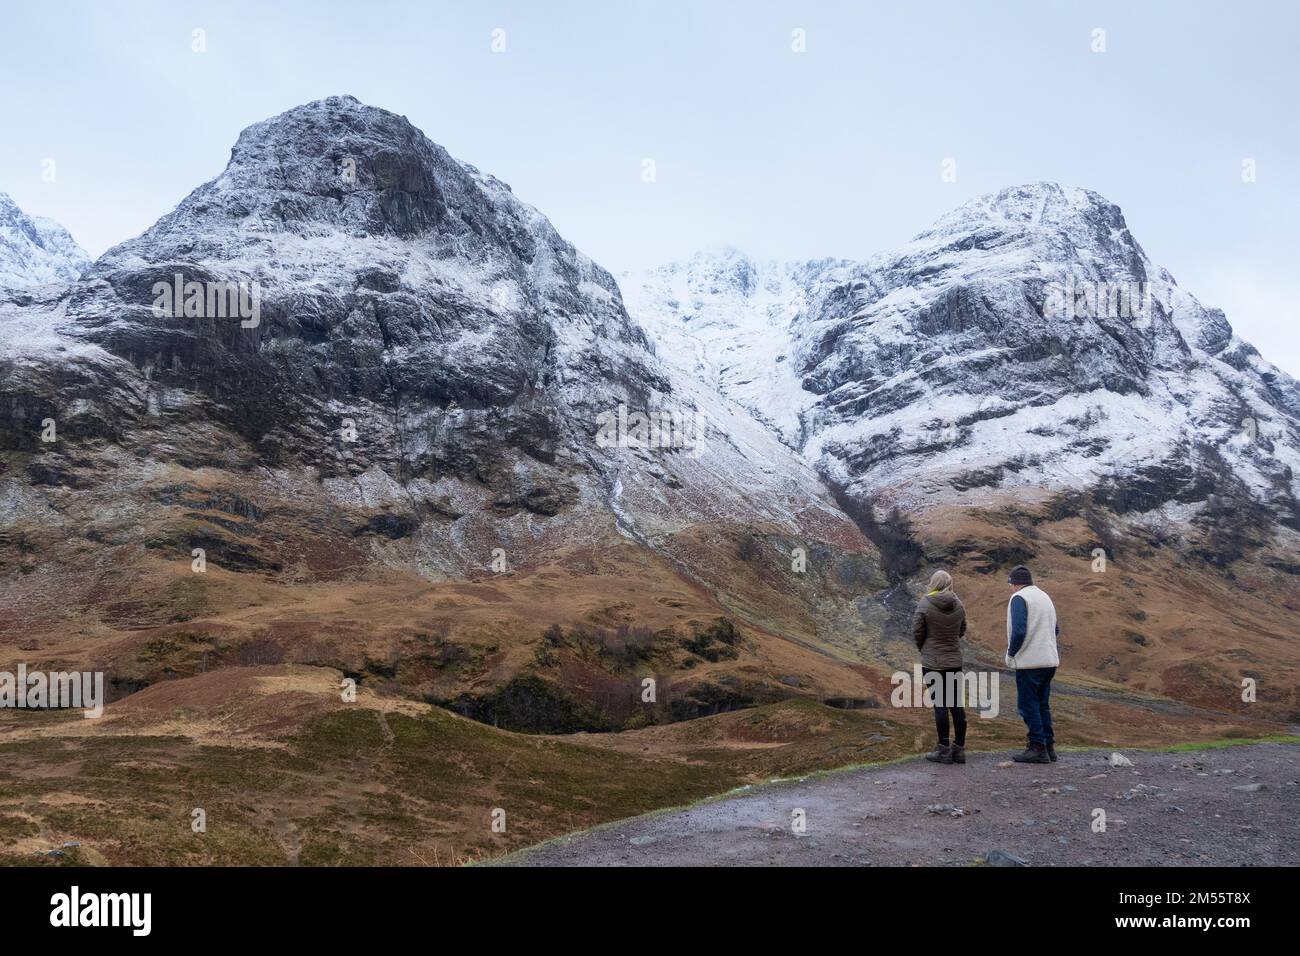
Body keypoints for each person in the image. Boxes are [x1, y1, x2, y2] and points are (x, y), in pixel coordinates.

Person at [912, 569, 968, 765]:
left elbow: (917, 630)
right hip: (954, 662)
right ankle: (959, 749)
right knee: (956, 704)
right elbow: (962, 629)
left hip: (933, 662)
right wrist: (951, 643)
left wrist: (925, 648)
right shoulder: (959, 604)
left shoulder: (926, 602)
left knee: (940, 705)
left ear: (933, 583)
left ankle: (943, 749)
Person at [1005, 565, 1059, 764]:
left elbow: (1019, 630)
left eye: (1010, 584)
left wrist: (1011, 653)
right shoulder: (1045, 597)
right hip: (1049, 660)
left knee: (1028, 705)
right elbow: (1056, 629)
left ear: (1015, 583)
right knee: (1042, 704)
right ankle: (1049, 746)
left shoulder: (1019, 598)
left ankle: (1037, 747)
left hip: (1030, 661)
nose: (1010, 588)